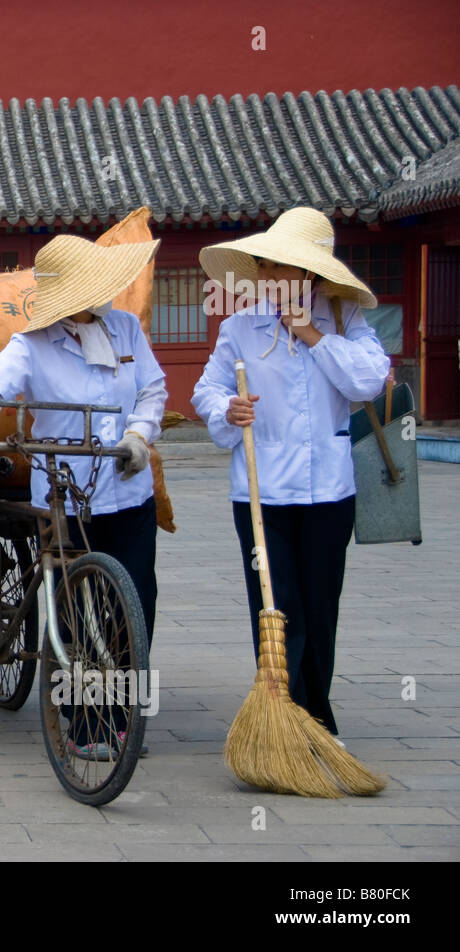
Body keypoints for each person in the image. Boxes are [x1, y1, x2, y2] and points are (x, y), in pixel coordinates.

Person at [0, 234, 166, 760]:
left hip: (126, 492)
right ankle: (86, 725)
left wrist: (139, 434)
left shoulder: (127, 329)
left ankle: (123, 719)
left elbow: (153, 390)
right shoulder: (31, 345)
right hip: (64, 499)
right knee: (76, 611)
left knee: (134, 606)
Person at [191, 207, 389, 743]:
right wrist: (228, 409)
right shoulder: (240, 327)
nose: (271, 274)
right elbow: (205, 390)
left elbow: (369, 382)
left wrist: (312, 335)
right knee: (276, 609)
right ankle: (286, 715)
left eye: (283, 266)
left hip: (330, 492)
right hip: (262, 493)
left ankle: (315, 715)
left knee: (321, 608)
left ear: (310, 274)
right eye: (266, 264)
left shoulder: (345, 321)